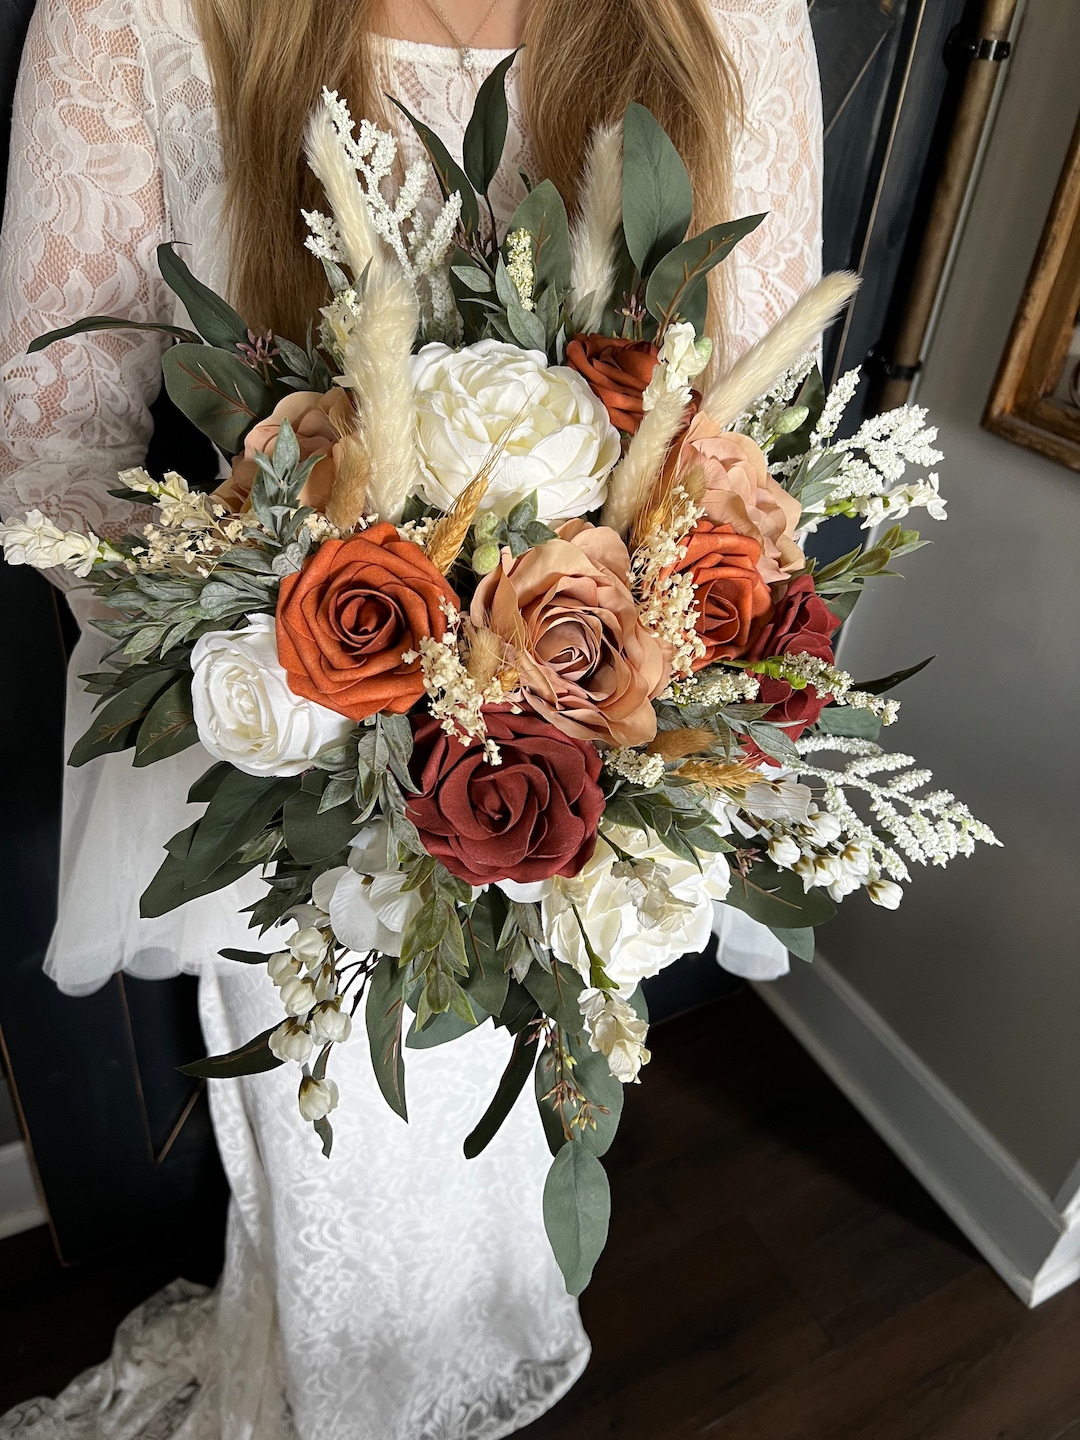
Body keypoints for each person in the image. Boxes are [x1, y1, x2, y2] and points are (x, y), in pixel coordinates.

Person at [0, 1, 822, 1435]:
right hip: (295, 812)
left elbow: (760, 449)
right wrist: (329, 710)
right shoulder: (135, 14)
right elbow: (55, 443)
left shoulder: (736, 15)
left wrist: (593, 730)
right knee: (332, 1181)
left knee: (499, 1152)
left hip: (574, 819)